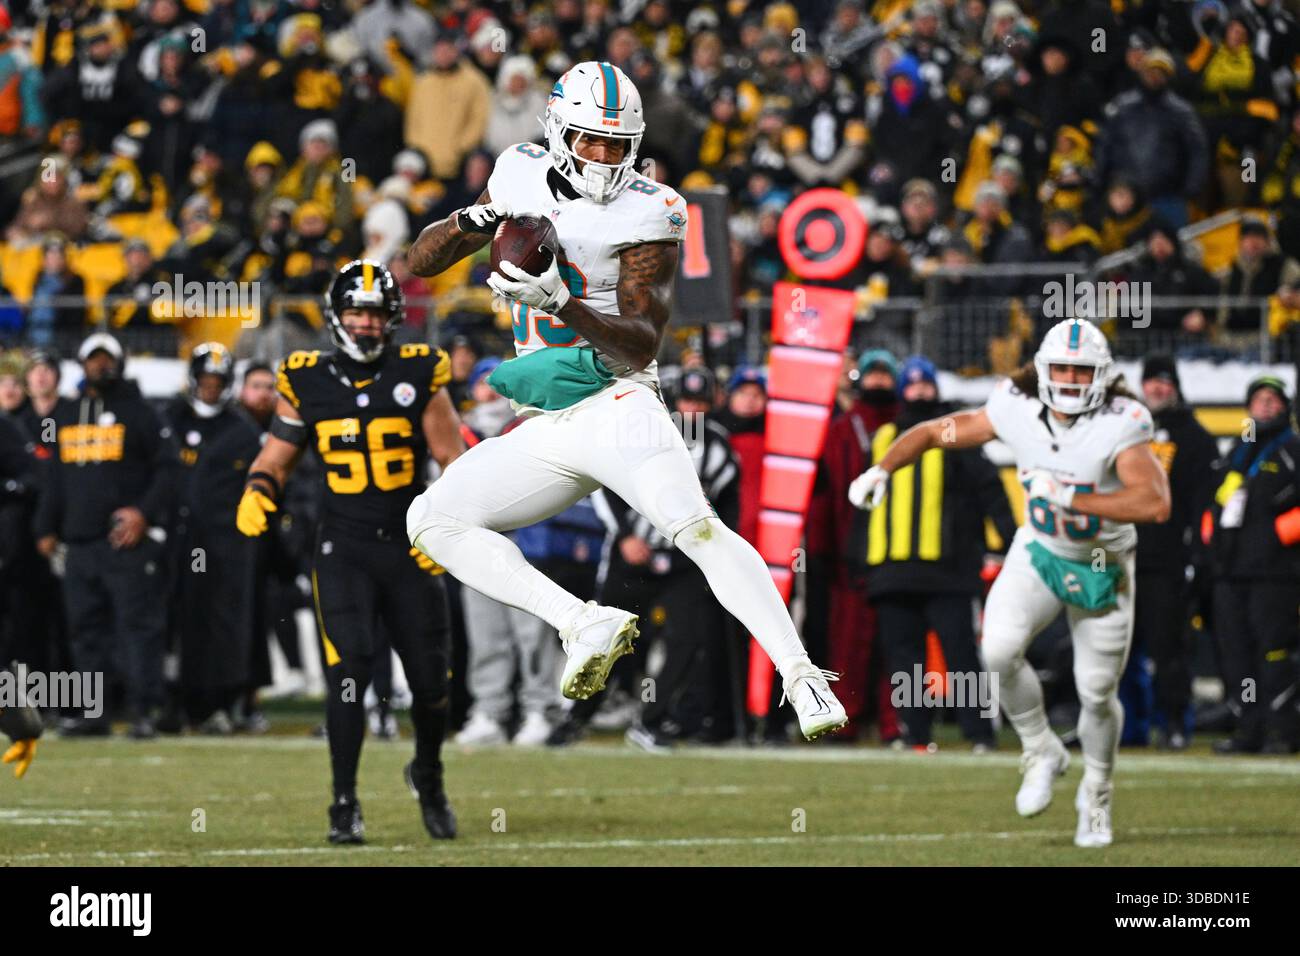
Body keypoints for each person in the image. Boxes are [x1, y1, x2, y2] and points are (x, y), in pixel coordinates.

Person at [404, 61, 847, 740]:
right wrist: (481, 215)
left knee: (694, 527)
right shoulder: (517, 169)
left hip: (616, 402)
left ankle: (802, 676)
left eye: (616, 145)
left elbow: (639, 344)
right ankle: (584, 621)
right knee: (433, 521)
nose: (603, 158)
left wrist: (559, 300)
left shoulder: (655, 207)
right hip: (545, 421)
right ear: (557, 132)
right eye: (589, 142)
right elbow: (420, 261)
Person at [850, 319, 1170, 847]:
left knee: (1095, 691)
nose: (1069, 378)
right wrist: (881, 470)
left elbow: (1155, 503)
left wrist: (1073, 498)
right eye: (1061, 367)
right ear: (1041, 370)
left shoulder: (1123, 421)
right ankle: (1040, 747)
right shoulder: (1015, 407)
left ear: (1103, 376)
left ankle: (1097, 790)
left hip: (1100, 564)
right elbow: (934, 431)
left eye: (1081, 369)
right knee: (996, 652)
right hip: (1039, 550)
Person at [236, 259, 466, 844]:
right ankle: (344, 801)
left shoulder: (419, 370)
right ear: (336, 317)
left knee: (432, 681)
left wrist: (446, 528)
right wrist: (258, 490)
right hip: (343, 548)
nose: (365, 324)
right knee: (350, 670)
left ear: (391, 319)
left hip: (409, 545)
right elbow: (275, 458)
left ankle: (430, 775)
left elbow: (456, 463)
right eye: (355, 312)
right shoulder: (305, 377)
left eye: (375, 313)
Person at [857, 355, 1016, 751]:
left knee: (961, 654)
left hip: (949, 568)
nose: (920, 392)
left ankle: (980, 734)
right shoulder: (881, 437)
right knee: (904, 661)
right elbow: (860, 507)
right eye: (912, 385)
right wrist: (858, 560)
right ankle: (915, 733)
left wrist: (1011, 539)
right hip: (892, 569)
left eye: (926, 384)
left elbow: (990, 489)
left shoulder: (952, 435)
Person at [33, 332, 179, 738]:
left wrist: (143, 514)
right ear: (80, 365)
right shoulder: (63, 416)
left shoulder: (143, 413)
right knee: (85, 630)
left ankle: (143, 709)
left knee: (137, 627)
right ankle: (94, 713)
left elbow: (169, 470)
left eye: (107, 359)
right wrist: (45, 526)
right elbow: (54, 478)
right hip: (79, 542)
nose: (101, 366)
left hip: (126, 543)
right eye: (93, 359)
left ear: (121, 362)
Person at [1205, 376, 1300, 754]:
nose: (1264, 406)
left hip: (1274, 574)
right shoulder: (1239, 451)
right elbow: (1218, 501)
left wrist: (1281, 534)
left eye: (1272, 399)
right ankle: (1250, 729)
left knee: (1274, 651)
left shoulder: (1292, 449)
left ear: (1284, 406)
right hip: (1232, 572)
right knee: (1238, 653)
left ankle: (1285, 730)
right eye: (1258, 399)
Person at [1133, 356, 1218, 749]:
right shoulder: (1125, 429)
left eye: (1165, 382)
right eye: (1152, 381)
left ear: (1177, 387)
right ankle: (1126, 726)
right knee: (1114, 648)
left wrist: (1196, 553)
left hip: (1167, 562)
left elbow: (1205, 504)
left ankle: (1175, 724)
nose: (1158, 389)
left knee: (1169, 647)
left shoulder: (1196, 438)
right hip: (1122, 558)